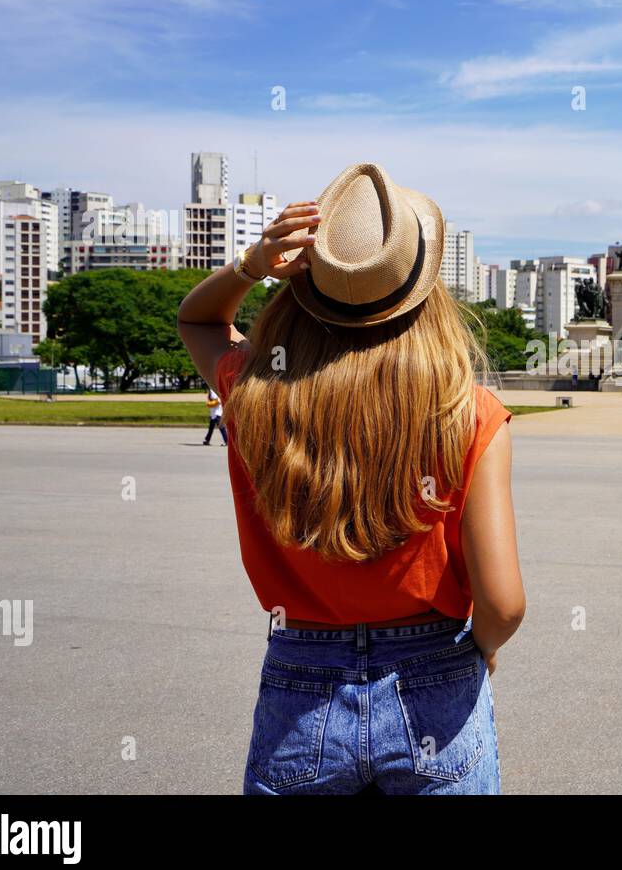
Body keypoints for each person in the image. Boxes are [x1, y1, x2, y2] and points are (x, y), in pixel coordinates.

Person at [176, 163, 524, 794]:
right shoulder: (469, 413)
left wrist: (253, 265)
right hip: (434, 676)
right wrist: (482, 651)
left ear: (304, 287)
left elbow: (197, 321)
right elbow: (503, 604)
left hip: (301, 673)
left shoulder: (256, 391)